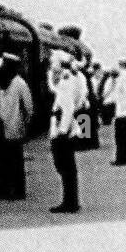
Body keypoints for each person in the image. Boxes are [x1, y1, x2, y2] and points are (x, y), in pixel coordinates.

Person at [0, 54, 33, 201]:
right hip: (3, 126)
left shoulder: (19, 83)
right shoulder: (3, 82)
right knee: (2, 160)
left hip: (14, 127)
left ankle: (18, 191)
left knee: (15, 160)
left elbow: (28, 107)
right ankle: (4, 190)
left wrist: (24, 124)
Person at [49, 61, 81, 213]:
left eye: (55, 71)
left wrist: (62, 132)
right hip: (62, 132)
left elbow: (68, 110)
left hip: (64, 134)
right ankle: (69, 201)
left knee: (66, 168)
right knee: (65, 169)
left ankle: (70, 203)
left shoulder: (65, 85)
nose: (52, 73)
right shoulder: (62, 85)